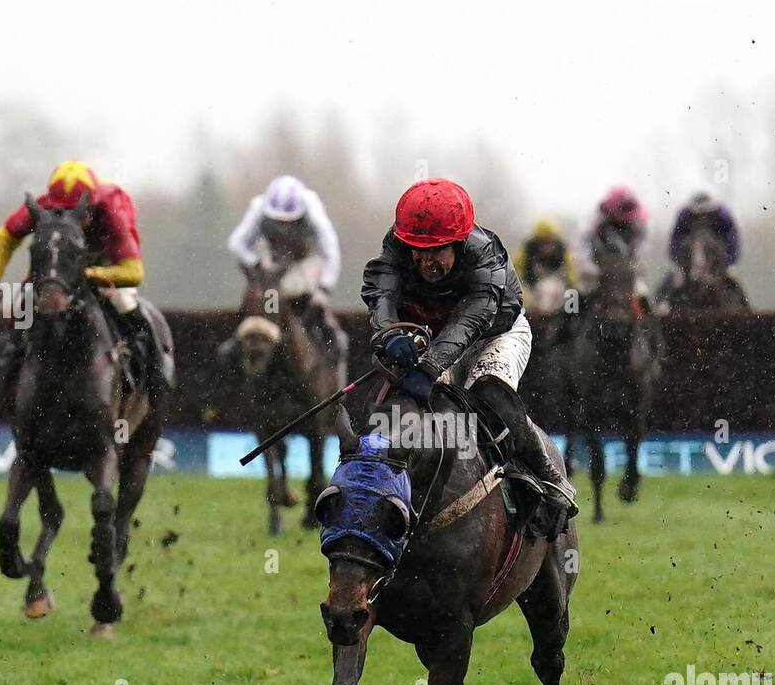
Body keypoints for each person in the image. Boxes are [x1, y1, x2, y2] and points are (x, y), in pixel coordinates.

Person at [362, 178, 576, 531]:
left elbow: (466, 324)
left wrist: (427, 369)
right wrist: (390, 334)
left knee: (490, 395)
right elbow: (380, 292)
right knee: (399, 405)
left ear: (459, 244)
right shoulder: (396, 246)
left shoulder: (484, 257)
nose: (425, 261)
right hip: (433, 334)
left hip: (494, 335)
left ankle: (549, 478)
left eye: (436, 251)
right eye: (418, 250)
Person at [0, 161, 163, 391]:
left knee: (124, 302)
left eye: (75, 211)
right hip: (62, 270)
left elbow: (134, 272)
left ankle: (153, 372)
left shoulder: (112, 209)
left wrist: (89, 273)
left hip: (106, 265)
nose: (68, 218)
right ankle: (12, 365)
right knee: (27, 301)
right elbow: (6, 237)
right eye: (61, 211)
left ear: (90, 205)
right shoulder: (43, 205)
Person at [227, 174, 345, 361]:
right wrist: (255, 265)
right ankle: (239, 340)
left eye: (290, 220)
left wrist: (324, 288)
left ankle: (330, 342)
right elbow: (237, 243)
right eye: (278, 220)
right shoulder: (258, 207)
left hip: (304, 262)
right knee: (262, 297)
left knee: (311, 302)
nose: (283, 225)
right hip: (272, 264)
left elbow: (331, 252)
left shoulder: (313, 210)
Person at [576, 185, 650, 313]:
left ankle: (650, 329)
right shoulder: (596, 221)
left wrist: (637, 265)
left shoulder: (637, 224)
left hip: (626, 274)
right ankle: (564, 328)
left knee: (643, 295)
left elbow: (641, 248)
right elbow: (584, 246)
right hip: (598, 271)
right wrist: (588, 267)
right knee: (574, 296)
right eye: (624, 208)